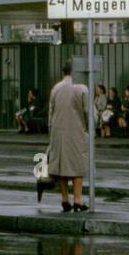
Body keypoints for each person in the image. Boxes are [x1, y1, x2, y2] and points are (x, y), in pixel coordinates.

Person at [46, 61, 90, 212]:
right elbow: (88, 112)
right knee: (78, 167)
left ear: (63, 72)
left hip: (58, 133)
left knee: (61, 167)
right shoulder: (82, 88)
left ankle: (65, 199)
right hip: (77, 132)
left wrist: (51, 133)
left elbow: (50, 113)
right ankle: (78, 199)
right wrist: (91, 129)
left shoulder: (55, 88)